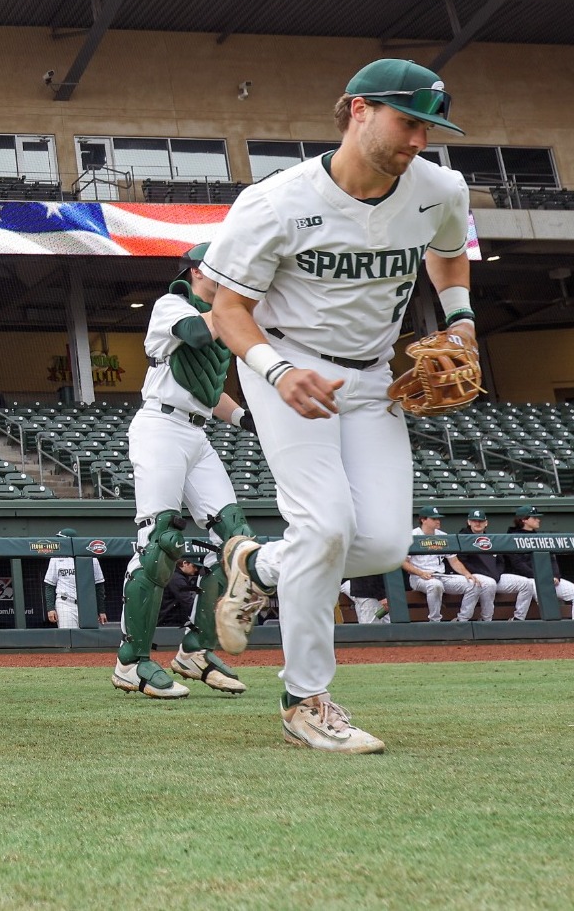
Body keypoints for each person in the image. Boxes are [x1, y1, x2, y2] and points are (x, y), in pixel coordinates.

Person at [207, 59, 475, 753]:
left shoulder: (439, 187)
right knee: (325, 528)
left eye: (429, 127)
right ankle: (306, 700)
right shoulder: (275, 201)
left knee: (385, 542)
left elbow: (449, 254)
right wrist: (274, 370)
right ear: (358, 110)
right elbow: (225, 309)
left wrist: (462, 319)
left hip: (373, 380)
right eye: (408, 122)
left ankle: (260, 567)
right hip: (287, 367)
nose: (420, 140)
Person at [115, 243, 253, 700]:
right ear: (198, 271)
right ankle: (131, 662)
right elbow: (195, 334)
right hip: (159, 426)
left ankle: (196, 649)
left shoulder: (219, 314)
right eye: (223, 270)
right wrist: (238, 305)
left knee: (236, 541)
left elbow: (209, 393)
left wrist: (248, 421)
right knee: (158, 544)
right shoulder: (171, 304)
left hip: (195, 433)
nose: (230, 277)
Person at [500, 505, 572, 620]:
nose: (538, 520)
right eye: (534, 518)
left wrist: (555, 576)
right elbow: (518, 565)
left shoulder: (540, 537)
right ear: (523, 519)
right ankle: (519, 620)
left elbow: (552, 560)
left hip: (547, 579)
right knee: (543, 594)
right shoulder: (512, 538)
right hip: (527, 579)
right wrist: (541, 577)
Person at [43, 530, 106, 629]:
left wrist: (101, 610)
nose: (60, 543)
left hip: (87, 604)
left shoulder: (91, 558)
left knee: (88, 638)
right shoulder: (56, 558)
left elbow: (99, 585)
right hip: (65, 603)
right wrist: (50, 609)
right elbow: (49, 585)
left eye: (62, 540)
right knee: (68, 639)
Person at [403, 506, 453, 622]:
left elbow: (454, 561)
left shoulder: (443, 535)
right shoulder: (412, 536)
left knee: (472, 584)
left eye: (438, 518)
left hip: (441, 575)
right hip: (419, 578)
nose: (438, 521)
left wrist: (467, 574)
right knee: (435, 585)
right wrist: (421, 573)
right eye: (434, 519)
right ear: (423, 520)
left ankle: (462, 619)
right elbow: (403, 563)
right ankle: (435, 622)